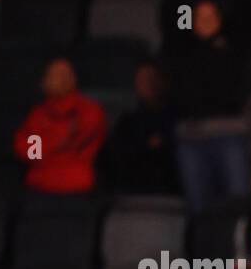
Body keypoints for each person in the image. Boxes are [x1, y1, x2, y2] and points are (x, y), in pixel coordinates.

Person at [161, 0, 248, 212]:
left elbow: (232, 94)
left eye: (211, 17)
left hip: (227, 137)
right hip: (191, 140)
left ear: (220, 20)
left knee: (236, 205)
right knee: (198, 209)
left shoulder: (233, 51)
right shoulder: (180, 54)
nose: (206, 21)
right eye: (201, 17)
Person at [13, 57, 106, 195]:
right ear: (43, 82)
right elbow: (30, 152)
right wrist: (49, 147)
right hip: (38, 186)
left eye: (64, 74)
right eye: (53, 75)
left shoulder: (90, 111)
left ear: (74, 79)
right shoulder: (37, 115)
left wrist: (45, 143)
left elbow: (69, 140)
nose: (60, 79)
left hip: (78, 187)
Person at [101, 60, 178, 196]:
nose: (143, 84)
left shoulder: (177, 118)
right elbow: (117, 153)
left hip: (170, 185)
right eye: (139, 80)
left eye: (149, 79)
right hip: (133, 185)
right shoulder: (129, 121)